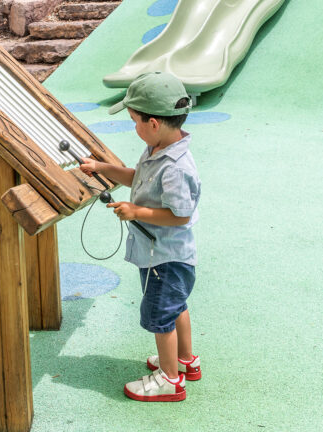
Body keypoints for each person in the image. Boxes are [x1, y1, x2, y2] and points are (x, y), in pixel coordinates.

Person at [80, 72, 202, 402]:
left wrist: (136, 213)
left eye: (134, 121)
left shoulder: (175, 166)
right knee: (177, 307)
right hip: (166, 254)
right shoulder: (157, 149)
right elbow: (137, 179)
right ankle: (185, 361)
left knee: (160, 316)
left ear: (152, 123)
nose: (133, 127)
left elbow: (180, 215)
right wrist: (102, 167)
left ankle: (170, 380)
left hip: (165, 256)